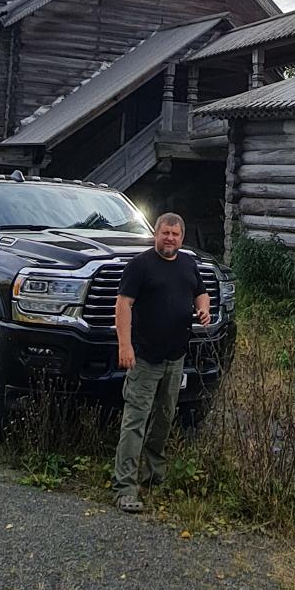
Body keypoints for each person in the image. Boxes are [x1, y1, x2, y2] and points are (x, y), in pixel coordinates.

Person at [111, 211, 211, 512]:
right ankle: (125, 488)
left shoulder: (187, 263)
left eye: (175, 234)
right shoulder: (140, 266)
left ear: (181, 237)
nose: (170, 238)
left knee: (165, 418)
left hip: (175, 357)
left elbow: (201, 292)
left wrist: (203, 309)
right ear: (156, 234)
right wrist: (125, 346)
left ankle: (154, 475)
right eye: (165, 233)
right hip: (145, 357)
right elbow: (123, 305)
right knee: (135, 421)